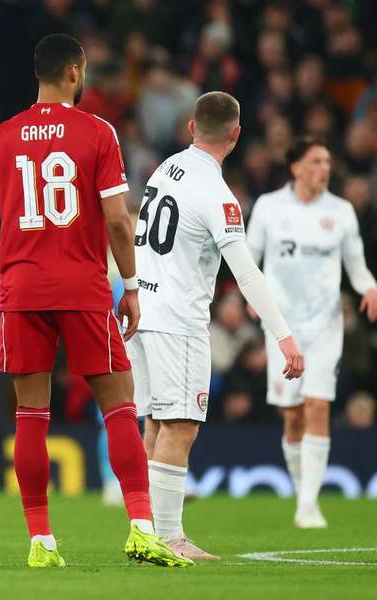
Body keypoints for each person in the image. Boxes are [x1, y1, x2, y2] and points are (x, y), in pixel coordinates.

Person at [0, 33, 190, 569]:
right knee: (120, 406)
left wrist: (0, 247)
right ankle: (141, 528)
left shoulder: (3, 136)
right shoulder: (97, 132)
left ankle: (41, 541)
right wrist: (131, 287)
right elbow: (117, 221)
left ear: (37, 74)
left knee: (31, 414)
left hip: (22, 291)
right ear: (76, 72)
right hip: (82, 288)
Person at [130, 91, 304, 561]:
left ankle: (144, 533)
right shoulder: (217, 194)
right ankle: (169, 538)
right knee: (181, 426)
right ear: (237, 135)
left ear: (191, 127)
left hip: (140, 311)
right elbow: (246, 273)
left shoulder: (165, 169)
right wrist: (284, 335)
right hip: (178, 320)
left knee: (157, 424)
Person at [247, 136, 377, 528]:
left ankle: (308, 504)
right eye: (316, 161)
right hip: (281, 325)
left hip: (325, 324)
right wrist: (252, 296)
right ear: (296, 168)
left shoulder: (341, 211)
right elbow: (249, 259)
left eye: (327, 162)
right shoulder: (269, 207)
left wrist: (370, 287)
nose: (324, 168)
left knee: (318, 404)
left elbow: (356, 265)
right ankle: (302, 489)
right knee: (292, 415)